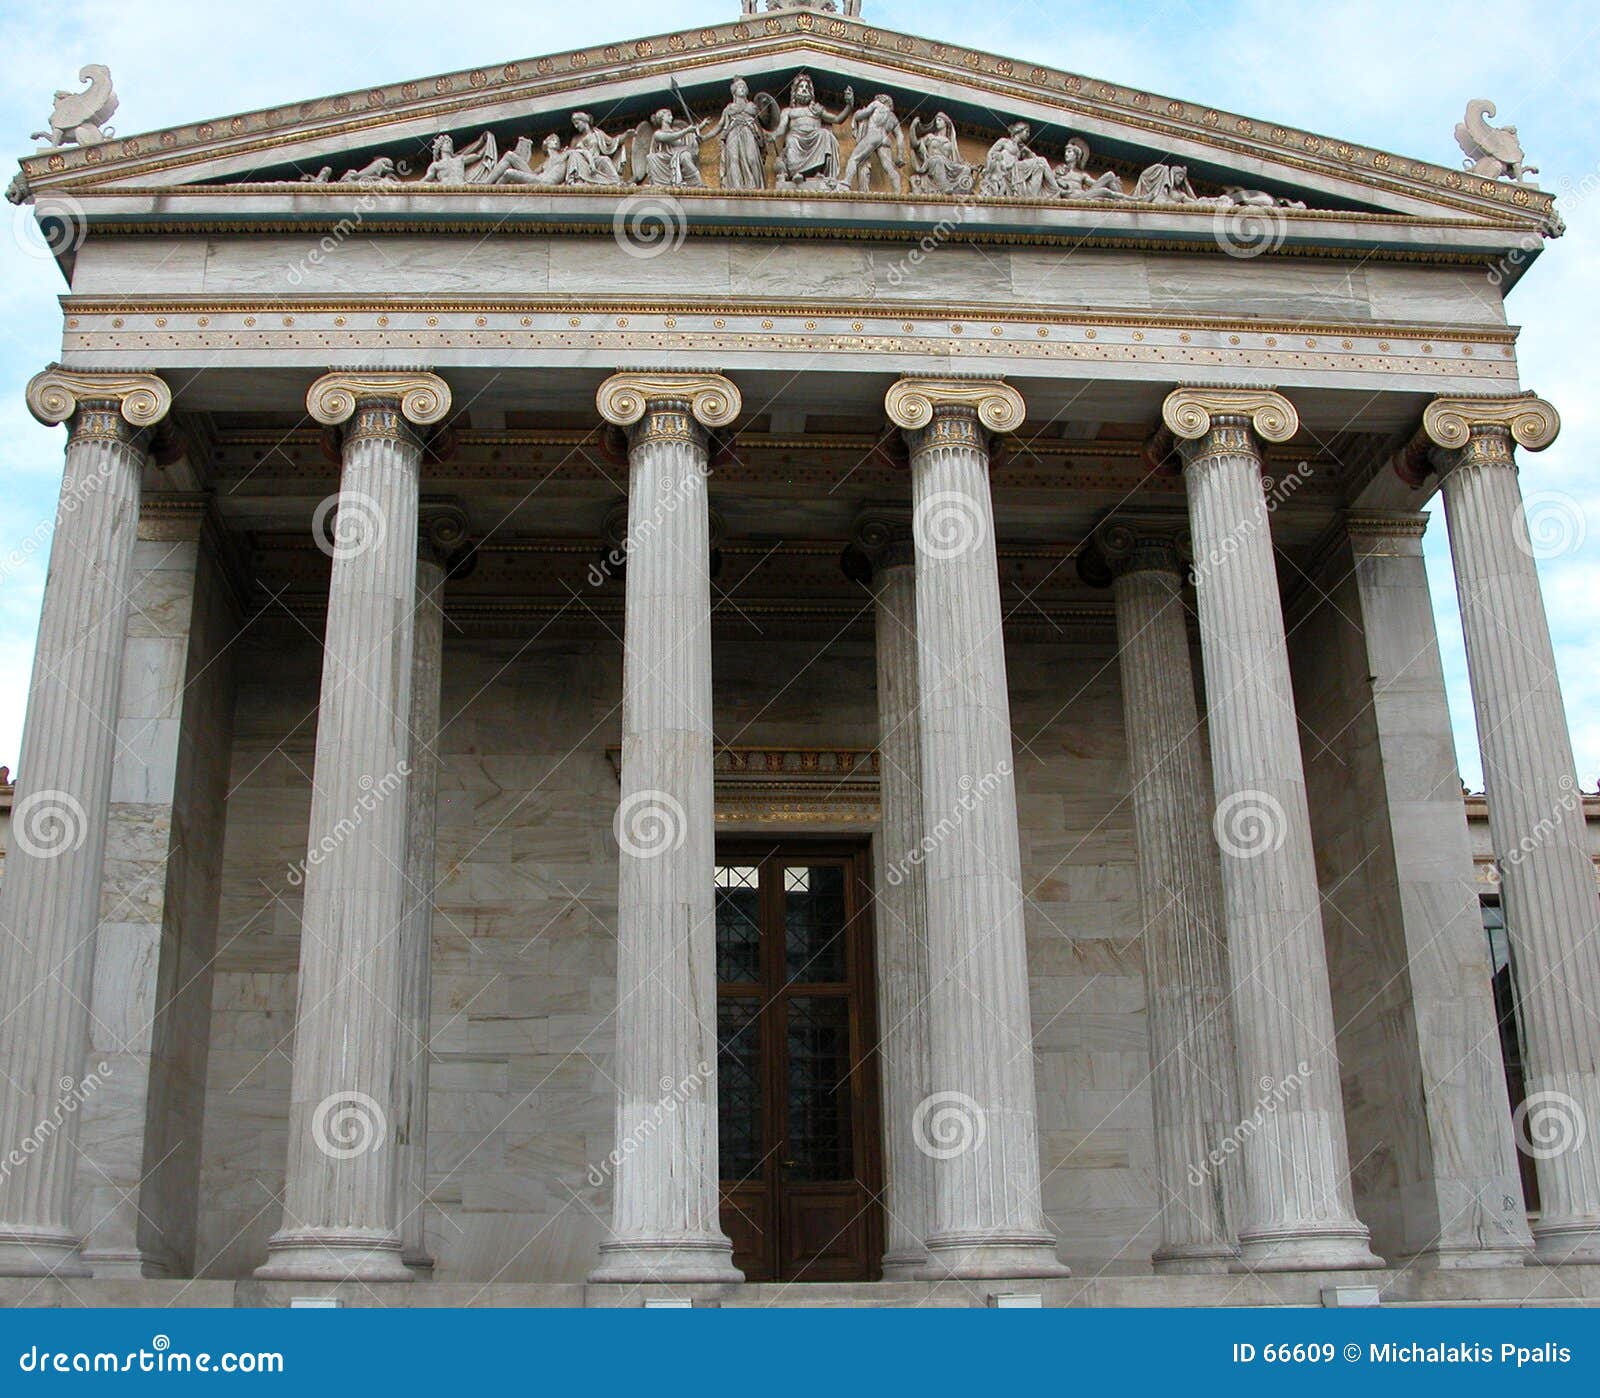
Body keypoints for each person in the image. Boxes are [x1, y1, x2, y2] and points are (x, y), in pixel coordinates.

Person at [769, 74, 853, 189]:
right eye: (801, 87)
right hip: (796, 137)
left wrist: (849, 105)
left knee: (824, 134)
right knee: (791, 139)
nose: (804, 89)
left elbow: (837, 119)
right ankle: (796, 173)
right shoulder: (789, 111)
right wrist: (772, 135)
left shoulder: (816, 110)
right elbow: (781, 129)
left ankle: (817, 172)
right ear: (794, 92)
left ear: (810, 93)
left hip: (814, 137)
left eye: (806, 87)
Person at [701, 77, 766, 190]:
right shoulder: (729, 109)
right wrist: (704, 137)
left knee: (752, 158)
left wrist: (766, 105)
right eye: (739, 87)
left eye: (744, 87)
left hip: (749, 132)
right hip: (732, 133)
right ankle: (736, 187)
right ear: (734, 91)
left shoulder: (752, 107)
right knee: (734, 159)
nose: (742, 89)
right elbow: (719, 126)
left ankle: (756, 187)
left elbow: (763, 123)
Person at [844, 94, 906, 194]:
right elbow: (900, 136)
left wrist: (857, 113)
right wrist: (900, 155)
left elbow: (861, 115)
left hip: (873, 135)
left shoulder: (876, 104)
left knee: (854, 158)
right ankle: (897, 193)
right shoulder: (893, 117)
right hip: (885, 140)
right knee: (889, 168)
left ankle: (846, 182)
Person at [908, 113, 973, 195]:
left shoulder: (949, 141)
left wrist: (969, 166)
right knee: (938, 160)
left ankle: (955, 189)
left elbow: (955, 159)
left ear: (945, 123)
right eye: (936, 121)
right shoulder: (930, 137)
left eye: (939, 120)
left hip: (947, 164)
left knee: (966, 169)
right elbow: (914, 144)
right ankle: (943, 188)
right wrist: (913, 127)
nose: (937, 122)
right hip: (933, 161)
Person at [642, 109, 705, 187]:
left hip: (678, 153)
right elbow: (669, 137)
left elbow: (687, 136)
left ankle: (695, 183)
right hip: (665, 156)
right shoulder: (657, 134)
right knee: (651, 157)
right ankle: (661, 184)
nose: (671, 117)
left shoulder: (676, 130)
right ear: (662, 118)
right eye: (668, 115)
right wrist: (686, 130)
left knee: (685, 155)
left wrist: (700, 126)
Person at [568, 112, 626, 185]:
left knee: (605, 159)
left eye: (577, 123)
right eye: (574, 124)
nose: (576, 126)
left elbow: (613, 142)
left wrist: (626, 135)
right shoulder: (575, 139)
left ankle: (616, 182)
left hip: (596, 160)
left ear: (584, 121)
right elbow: (571, 155)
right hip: (583, 164)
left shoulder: (597, 133)